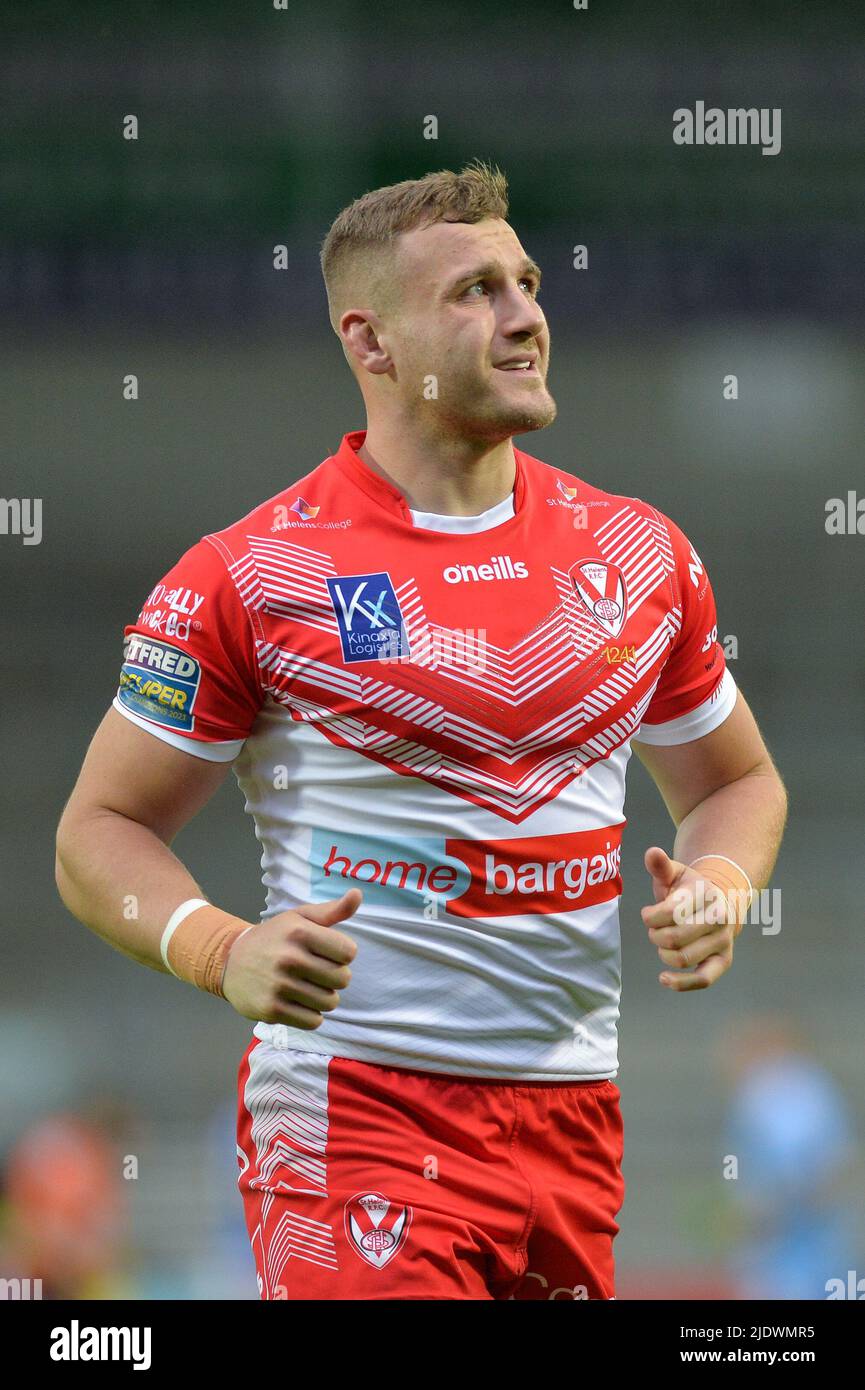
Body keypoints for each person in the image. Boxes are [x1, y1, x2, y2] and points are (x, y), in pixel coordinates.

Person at [55, 160, 787, 1300]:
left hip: (574, 1116)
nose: (525, 315)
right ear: (372, 343)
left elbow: (735, 782)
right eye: (474, 291)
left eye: (528, 280)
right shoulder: (252, 573)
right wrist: (221, 947)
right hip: (357, 1110)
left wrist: (722, 883)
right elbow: (95, 830)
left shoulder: (641, 554)